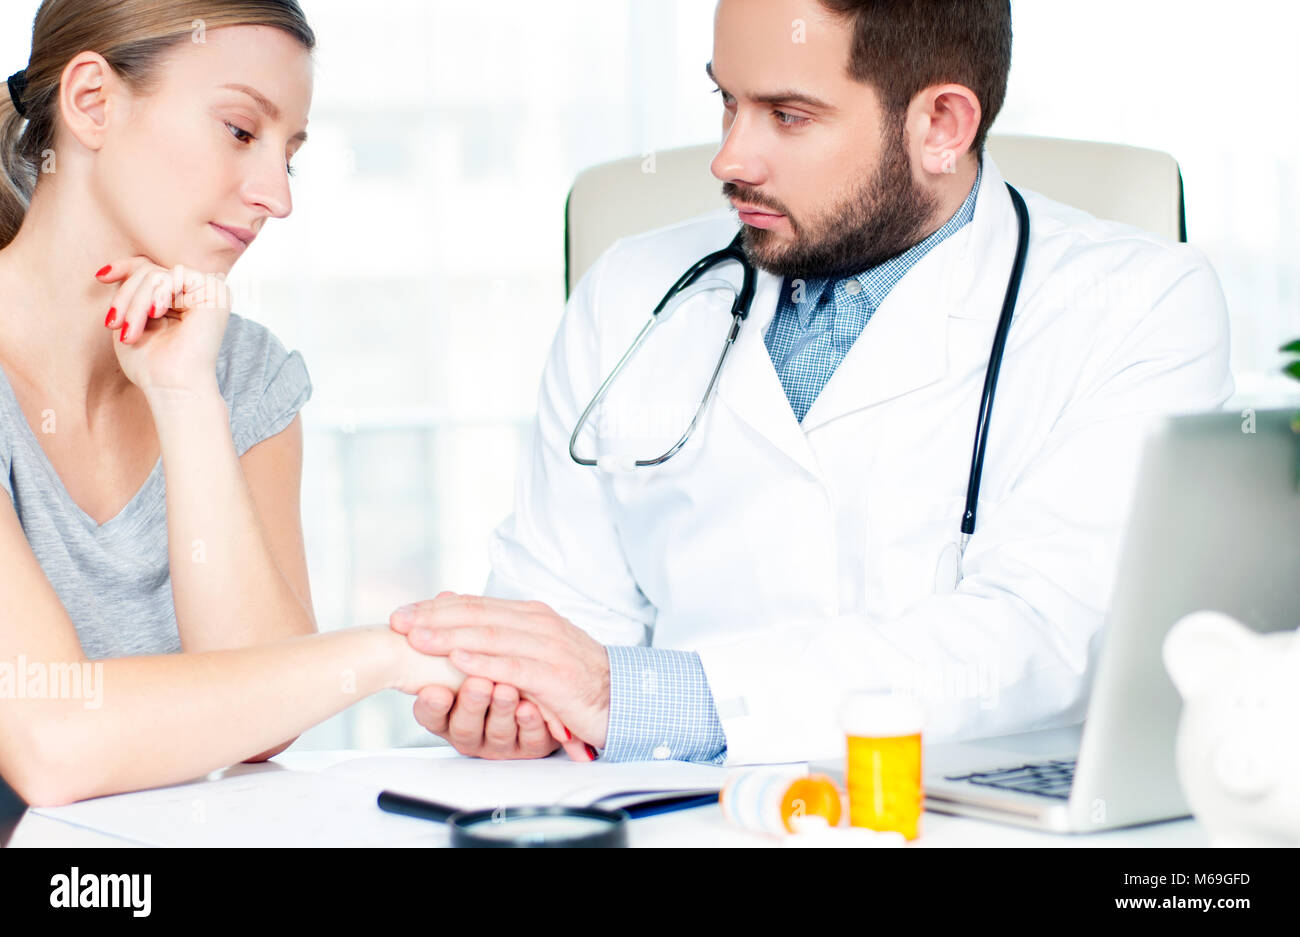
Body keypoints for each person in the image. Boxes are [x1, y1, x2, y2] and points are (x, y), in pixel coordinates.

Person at [390, 0, 1234, 766]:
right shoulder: (630, 291)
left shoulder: (1138, 304)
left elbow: (1049, 634)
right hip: (682, 816)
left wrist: (629, 696)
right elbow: (564, 616)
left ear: (942, 122)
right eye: (726, 100)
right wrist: (520, 702)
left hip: (972, 819)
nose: (730, 156)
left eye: (788, 116)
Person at [0, 0, 463, 807]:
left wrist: (186, 399)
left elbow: (265, 724)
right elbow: (53, 742)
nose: (276, 197)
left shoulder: (240, 370)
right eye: (242, 132)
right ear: (90, 103)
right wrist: (390, 654)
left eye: (292, 153)